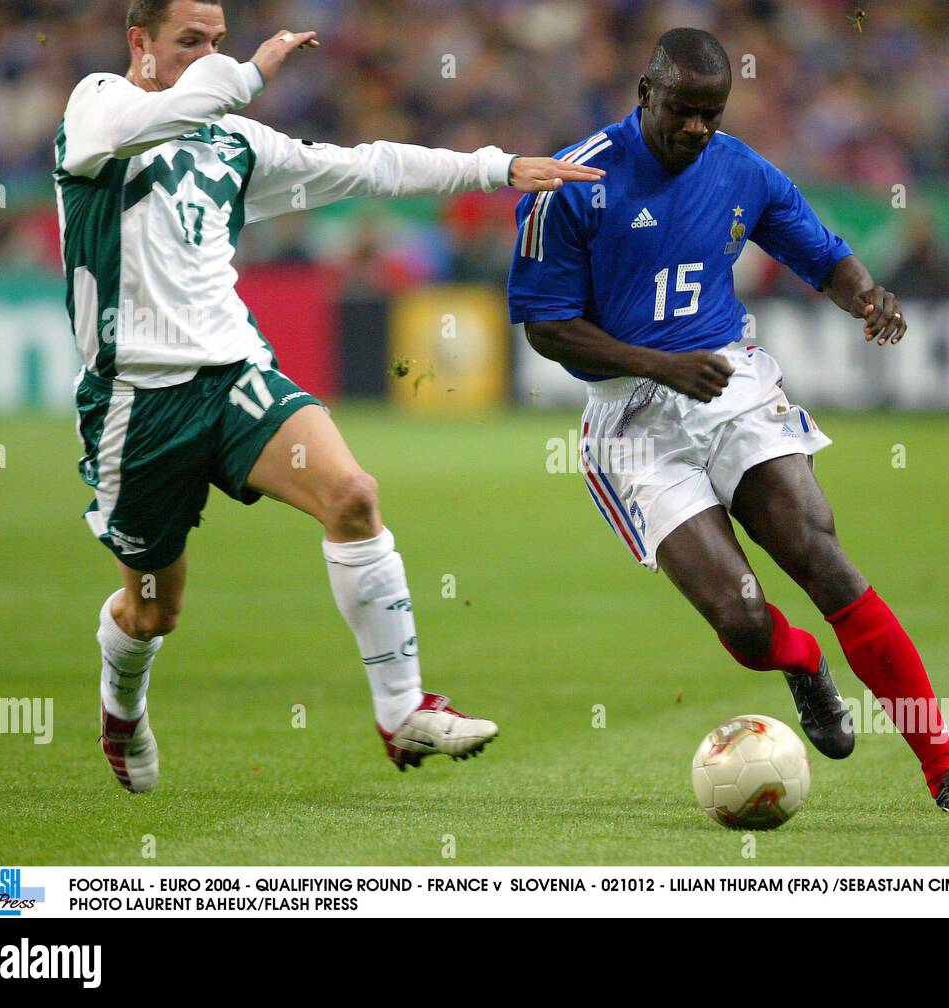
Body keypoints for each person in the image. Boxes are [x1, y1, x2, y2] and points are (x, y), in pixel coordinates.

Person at [57, 0, 604, 791]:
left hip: (234, 375)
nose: (208, 56)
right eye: (189, 43)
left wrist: (495, 167)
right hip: (135, 404)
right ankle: (122, 707)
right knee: (152, 611)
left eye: (217, 43)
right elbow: (166, 110)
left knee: (351, 494)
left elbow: (368, 166)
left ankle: (402, 709)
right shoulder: (98, 104)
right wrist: (243, 75)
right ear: (138, 42)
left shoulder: (233, 143)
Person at [508, 28, 949, 814]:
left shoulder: (741, 169)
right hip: (630, 419)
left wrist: (866, 296)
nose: (697, 129)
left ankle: (945, 770)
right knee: (741, 619)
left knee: (823, 556)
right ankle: (801, 661)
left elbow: (825, 254)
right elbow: (546, 326)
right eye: (682, 111)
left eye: (711, 113)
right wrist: (659, 364)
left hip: (730, 382)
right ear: (645, 92)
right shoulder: (571, 183)